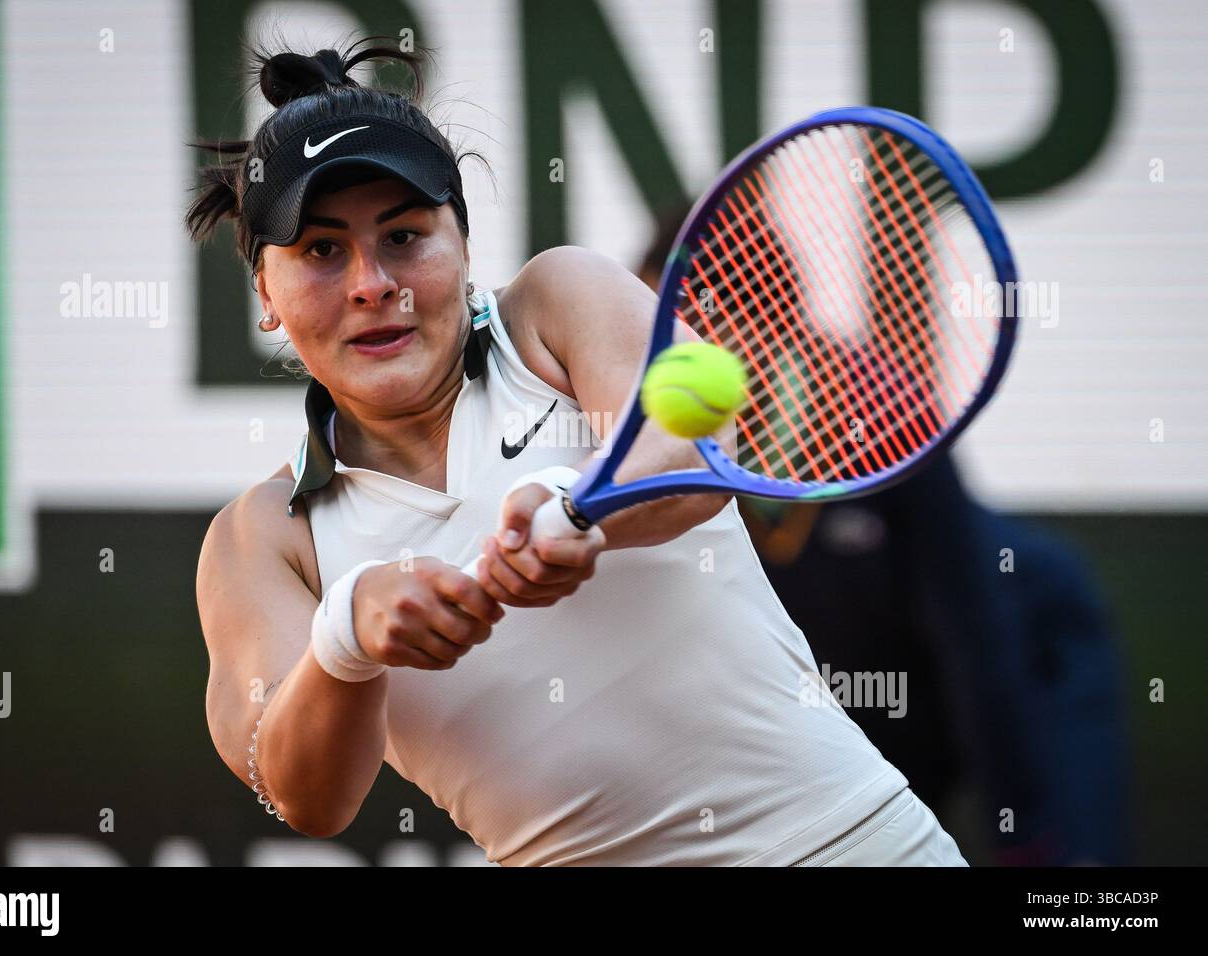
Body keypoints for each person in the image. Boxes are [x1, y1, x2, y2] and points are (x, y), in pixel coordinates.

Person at [188, 38, 967, 866]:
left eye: (406, 236)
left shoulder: (558, 303)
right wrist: (345, 639)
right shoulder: (260, 540)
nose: (373, 282)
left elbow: (687, 459)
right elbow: (304, 794)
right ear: (264, 295)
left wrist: (577, 508)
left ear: (463, 247)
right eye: (321, 250)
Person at [638, 208, 1131, 866]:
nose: (656, 353)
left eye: (681, 326)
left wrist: (1026, 839)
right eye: (645, 324)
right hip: (879, 690)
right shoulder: (659, 439)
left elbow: (976, 641)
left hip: (1028, 653)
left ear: (769, 318)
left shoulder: (886, 410)